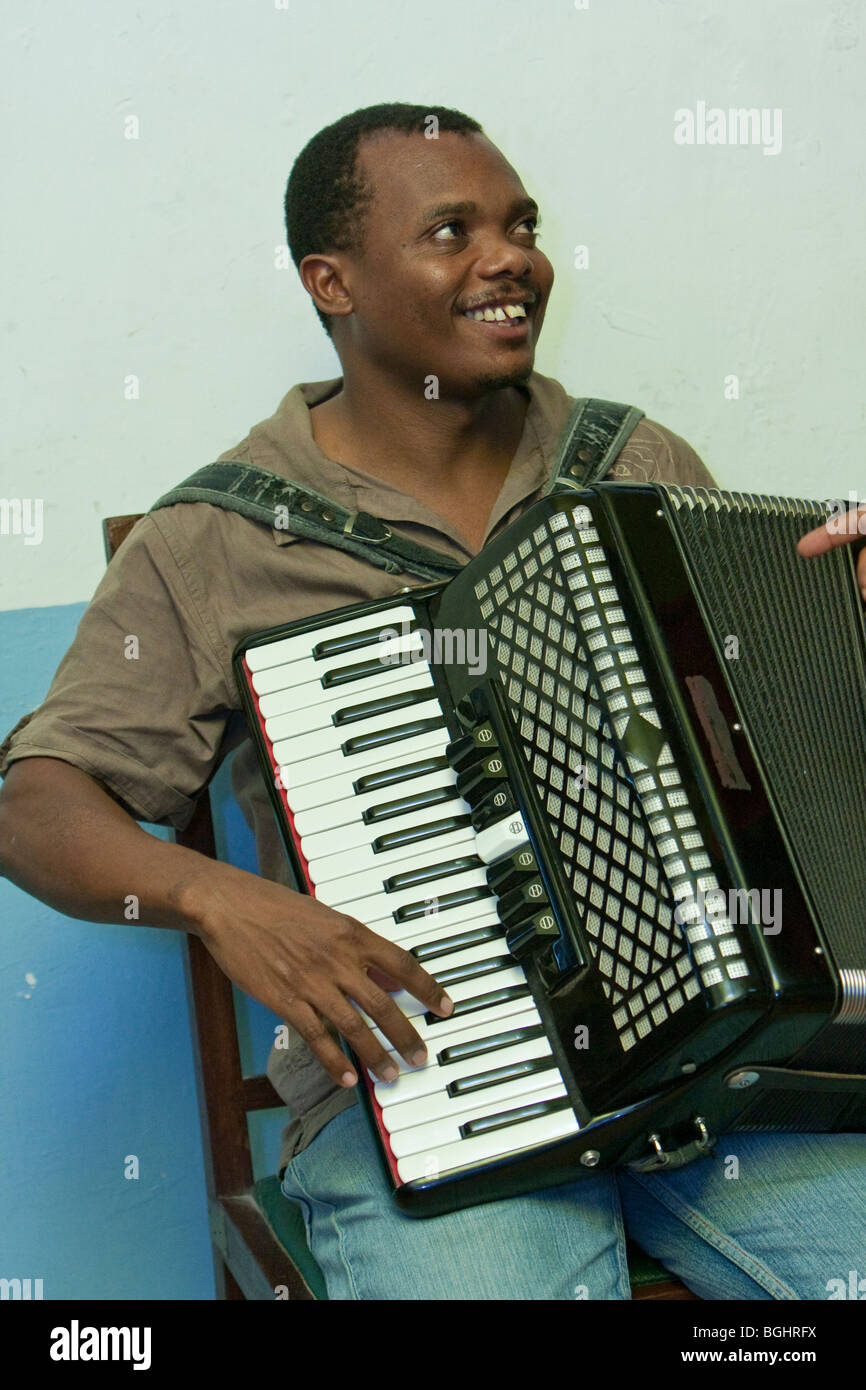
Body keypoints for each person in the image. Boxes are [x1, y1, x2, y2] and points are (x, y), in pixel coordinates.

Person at [0, 103, 863, 1301]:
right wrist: (214, 896)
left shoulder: (632, 464)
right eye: (450, 231)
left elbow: (778, 764)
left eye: (520, 226)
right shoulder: (220, 535)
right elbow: (36, 804)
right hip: (419, 1081)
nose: (507, 257)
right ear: (331, 279)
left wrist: (844, 629)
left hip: (719, 1068)